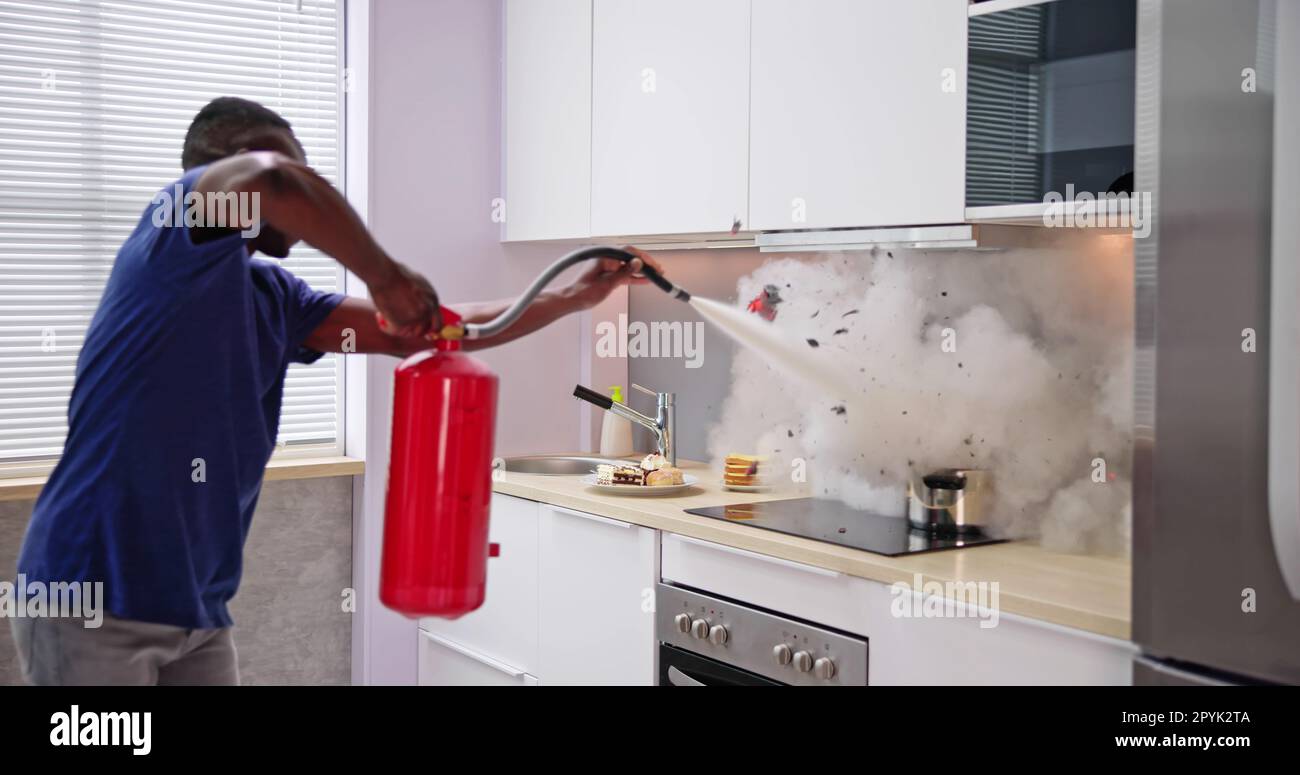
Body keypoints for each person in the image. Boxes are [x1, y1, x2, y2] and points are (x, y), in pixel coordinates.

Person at [10, 97, 663, 685]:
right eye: (299, 168)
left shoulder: (276, 298)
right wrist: (382, 274)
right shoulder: (169, 236)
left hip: (197, 611)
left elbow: (432, 334)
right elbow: (277, 183)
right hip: (92, 597)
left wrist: (576, 296)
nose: (315, 185)